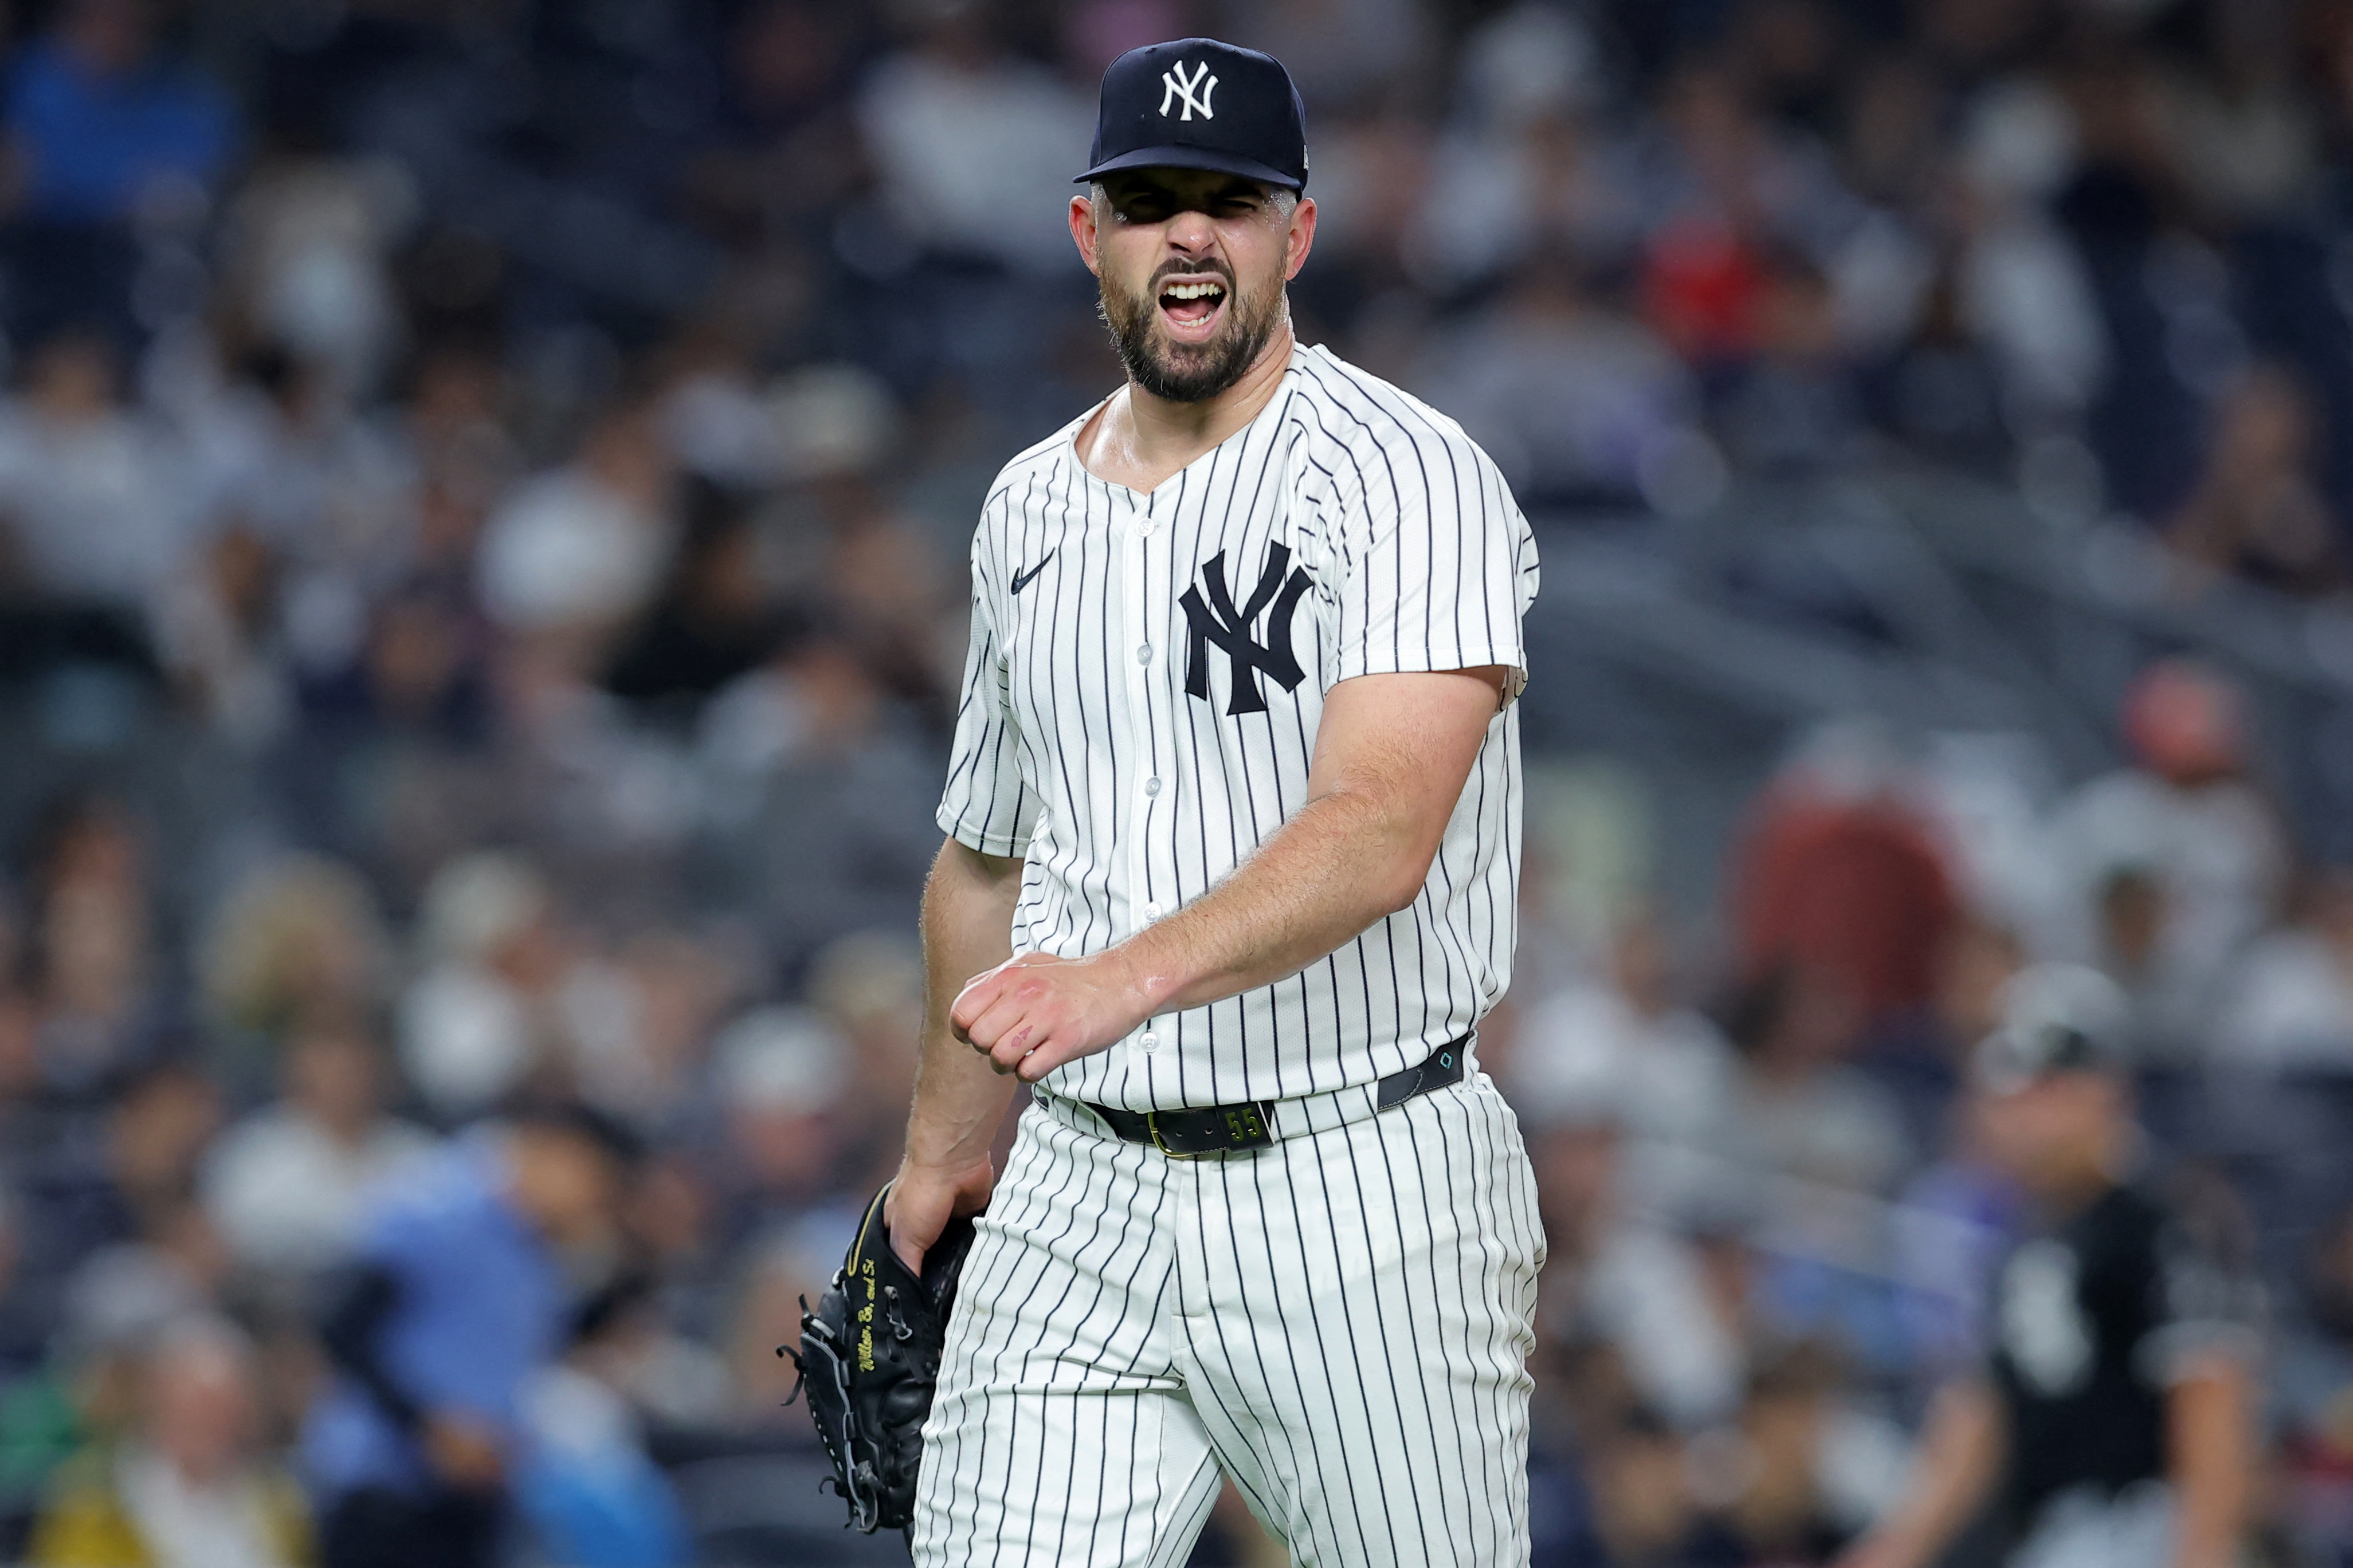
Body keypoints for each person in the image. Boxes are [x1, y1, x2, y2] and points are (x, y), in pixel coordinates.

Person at [885, 37, 1544, 1567]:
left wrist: (1112, 982)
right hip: (1079, 1180)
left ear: (1294, 234)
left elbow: (1380, 831)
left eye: (1230, 200)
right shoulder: (1025, 507)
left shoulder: (1407, 477)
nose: (1190, 232)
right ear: (1087, 234)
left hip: (1360, 1180)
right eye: (1151, 198)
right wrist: (939, 1150)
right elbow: (983, 866)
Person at [1837, 965, 2258, 1568]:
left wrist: (2202, 1552)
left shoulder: (2162, 1218)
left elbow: (2211, 1399)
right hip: (2055, 1533)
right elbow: (1982, 1411)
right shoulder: (2025, 1239)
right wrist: (1894, 1548)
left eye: (2053, 1088)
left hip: (2143, 1526)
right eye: (2022, 1094)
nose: (2029, 1115)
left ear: (2108, 1090)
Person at [300, 1101, 639, 1568]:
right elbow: (342, 1328)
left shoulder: (538, 1244)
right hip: (386, 1496)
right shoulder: (439, 1206)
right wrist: (429, 1425)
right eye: (594, 1179)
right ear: (552, 1150)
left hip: (473, 1496)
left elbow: (538, 1343)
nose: (594, 1200)